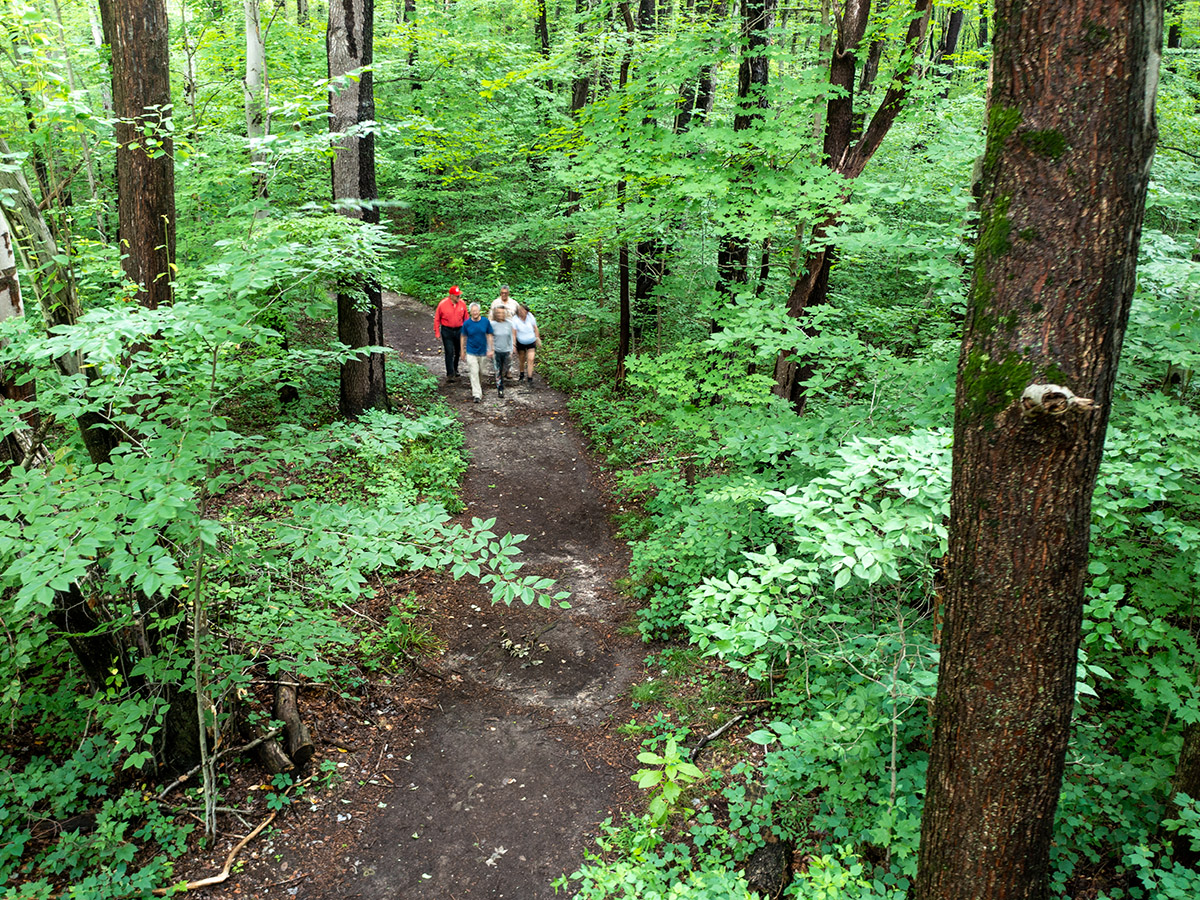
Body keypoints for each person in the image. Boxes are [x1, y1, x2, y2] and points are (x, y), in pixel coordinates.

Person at [459, 303, 494, 403]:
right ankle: (477, 394)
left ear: (479, 311)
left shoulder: (485, 321)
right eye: (473, 311)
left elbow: (489, 335)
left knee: (481, 372)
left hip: (483, 351)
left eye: (476, 310)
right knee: (474, 372)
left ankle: (478, 387)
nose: (475, 312)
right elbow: (462, 337)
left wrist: (491, 348)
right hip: (471, 351)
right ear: (470, 312)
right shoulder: (467, 324)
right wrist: (462, 350)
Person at [434, 286, 467, 379]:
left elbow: (466, 318)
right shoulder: (442, 304)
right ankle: (450, 373)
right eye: (457, 296)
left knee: (458, 351)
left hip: (459, 330)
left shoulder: (462, 304)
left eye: (459, 295)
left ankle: (455, 368)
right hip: (447, 330)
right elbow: (437, 319)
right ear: (451, 296)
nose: (459, 297)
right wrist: (437, 332)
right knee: (449, 351)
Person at [512, 302, 542, 385]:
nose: (522, 312)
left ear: (526, 311)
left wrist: (537, 338)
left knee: (531, 359)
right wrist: (513, 344)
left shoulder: (530, 316)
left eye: (523, 311)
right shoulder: (515, 319)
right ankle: (521, 374)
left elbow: (535, 327)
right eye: (520, 311)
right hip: (521, 341)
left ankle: (530, 378)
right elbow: (514, 333)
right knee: (522, 359)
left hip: (531, 341)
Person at [490, 306, 514, 399]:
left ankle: (504, 374)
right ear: (496, 314)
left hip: (506, 350)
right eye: (499, 313)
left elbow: (511, 337)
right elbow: (490, 337)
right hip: (496, 350)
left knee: (507, 366)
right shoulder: (492, 324)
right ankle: (500, 388)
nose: (501, 315)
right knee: (498, 370)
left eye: (503, 313)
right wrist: (490, 349)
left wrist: (512, 348)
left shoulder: (509, 324)